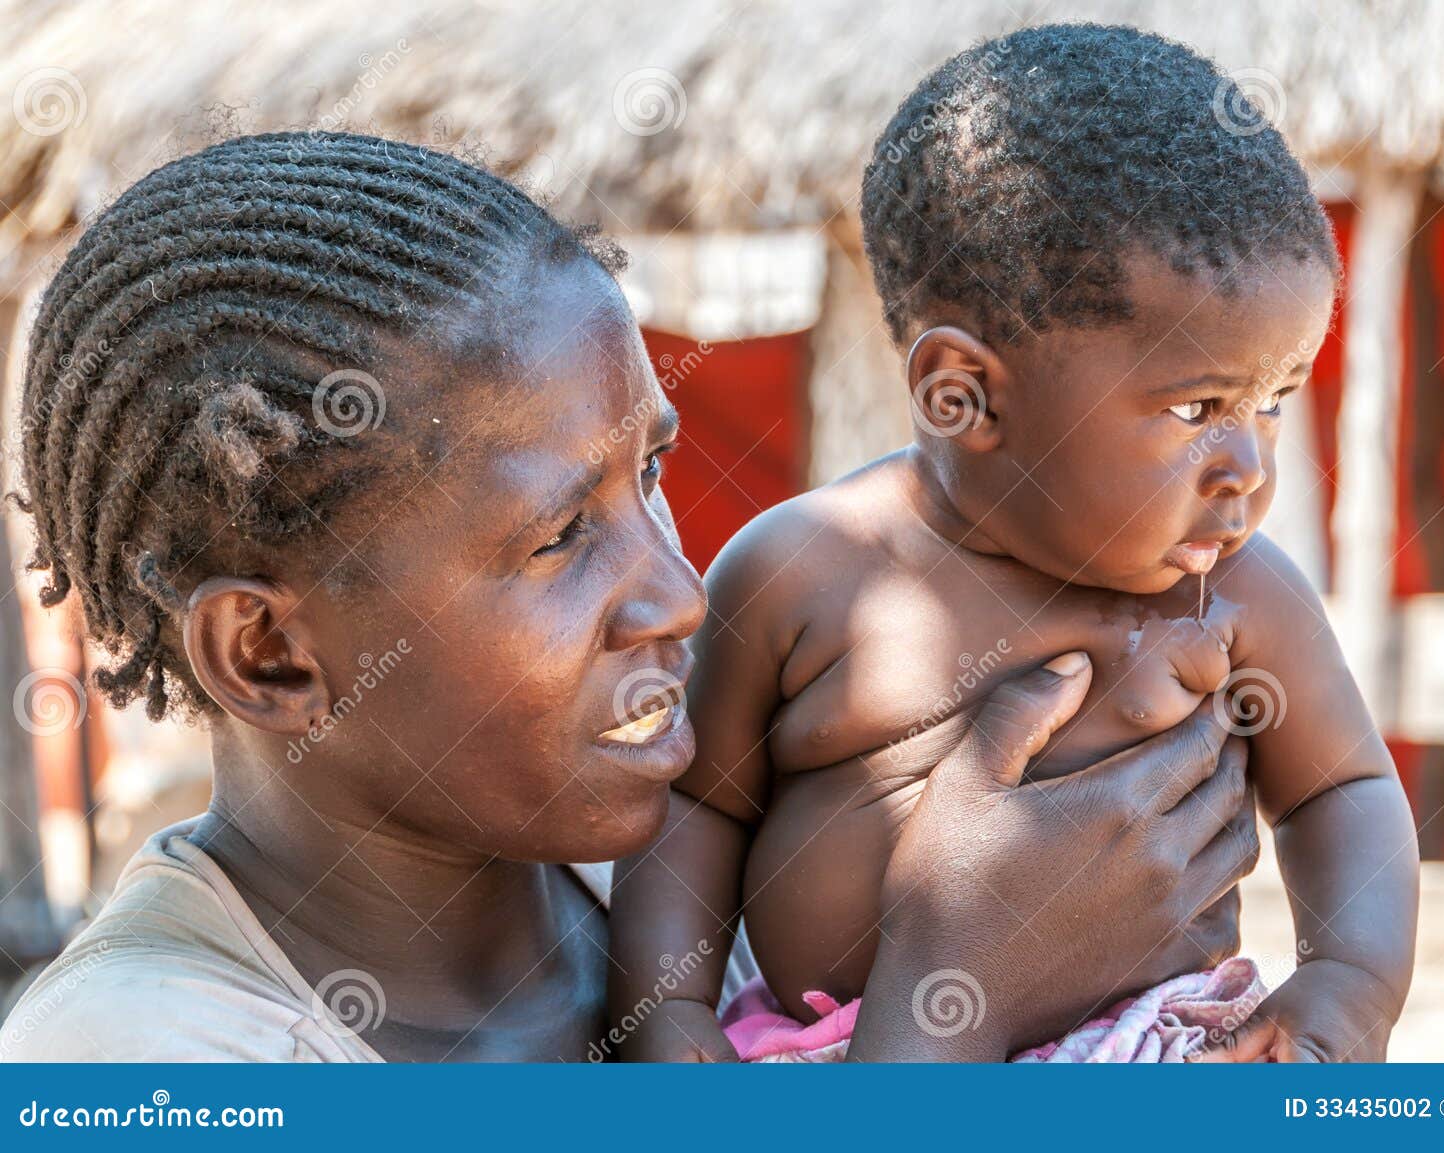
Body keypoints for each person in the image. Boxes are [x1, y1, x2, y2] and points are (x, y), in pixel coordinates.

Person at [0, 131, 1256, 1063]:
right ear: (271, 653)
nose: (675, 590)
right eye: (556, 539)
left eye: (647, 474)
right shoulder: (142, 1059)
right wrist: (950, 1001)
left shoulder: (706, 891)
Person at [611, 24, 1420, 1063]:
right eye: (1195, 407)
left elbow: (1340, 788)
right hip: (834, 1057)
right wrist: (668, 1016)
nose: (1249, 465)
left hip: (1153, 1046)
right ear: (967, 394)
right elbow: (695, 809)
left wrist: (1348, 985)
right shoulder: (795, 572)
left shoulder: (1239, 600)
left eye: (1273, 401)